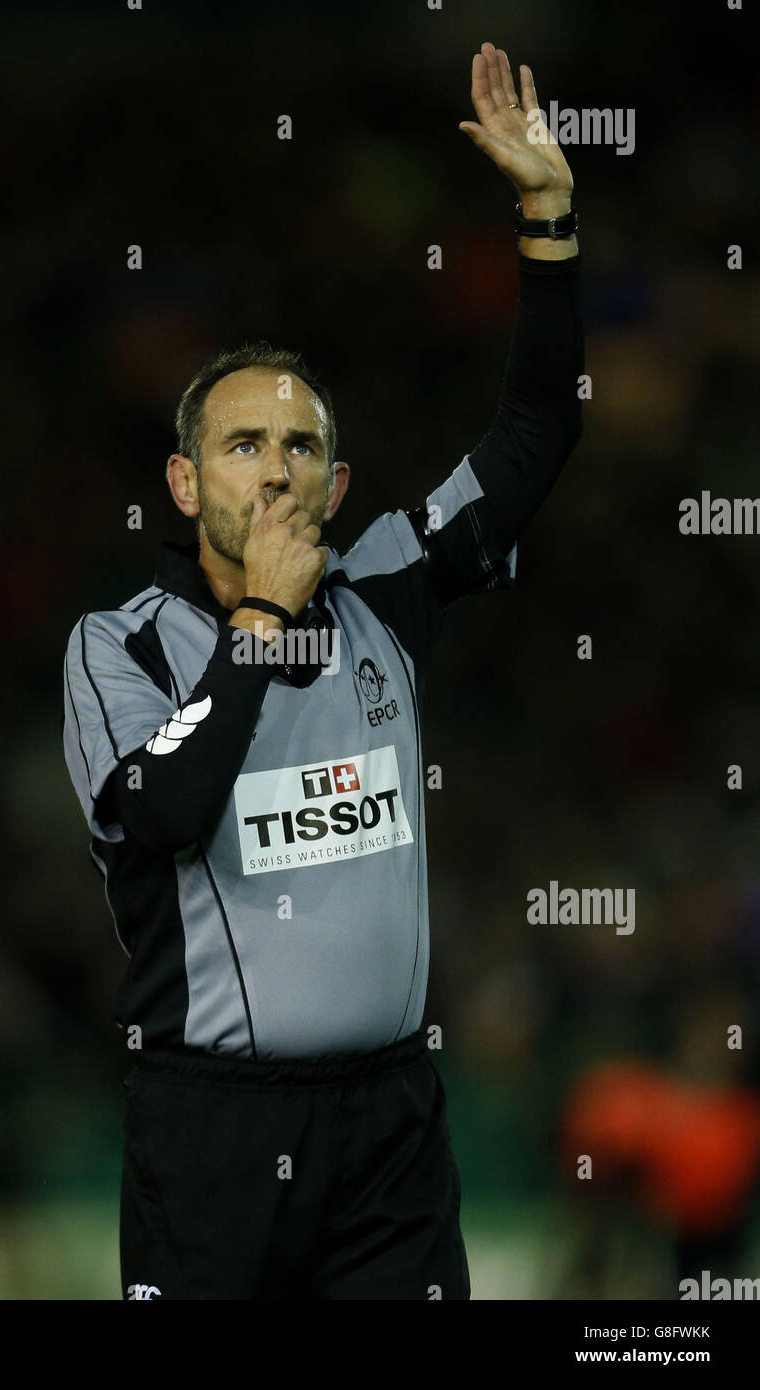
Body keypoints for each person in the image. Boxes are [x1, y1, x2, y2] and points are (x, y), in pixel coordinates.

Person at [63, 42, 583, 1299]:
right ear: (187, 482)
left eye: (302, 445)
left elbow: (535, 432)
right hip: (214, 1130)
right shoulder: (115, 645)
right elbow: (170, 813)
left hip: (390, 1125)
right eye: (243, 443)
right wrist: (257, 628)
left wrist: (547, 218)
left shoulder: (389, 586)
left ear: (338, 487)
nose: (278, 466)